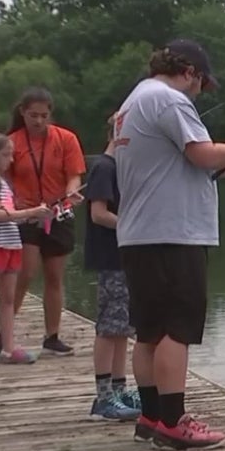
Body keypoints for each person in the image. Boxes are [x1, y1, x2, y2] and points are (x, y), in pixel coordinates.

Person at [113, 39, 225, 450]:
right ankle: (174, 422)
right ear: (190, 73)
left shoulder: (132, 103)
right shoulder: (169, 100)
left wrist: (221, 165)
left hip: (139, 234)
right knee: (176, 329)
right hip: (173, 235)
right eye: (201, 84)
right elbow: (201, 154)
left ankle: (150, 416)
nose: (199, 93)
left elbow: (175, 167)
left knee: (148, 331)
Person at [0, 87, 87, 358]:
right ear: (22, 113)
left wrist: (71, 192)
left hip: (57, 213)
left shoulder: (66, 139)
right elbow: (3, 180)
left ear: (50, 115)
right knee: (25, 273)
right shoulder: (12, 142)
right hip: (26, 215)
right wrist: (13, 205)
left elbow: (74, 174)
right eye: (33, 115)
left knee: (54, 276)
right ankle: (4, 331)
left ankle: (52, 336)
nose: (38, 121)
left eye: (43, 116)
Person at [0, 132, 48, 369]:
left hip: (10, 244)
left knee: (8, 299)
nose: (11, 160)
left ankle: (8, 347)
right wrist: (31, 212)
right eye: (6, 155)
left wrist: (39, 215)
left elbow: (10, 218)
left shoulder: (4, 183)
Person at [83, 113, 141, 421]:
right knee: (108, 327)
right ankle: (103, 397)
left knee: (122, 328)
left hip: (125, 257)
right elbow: (98, 213)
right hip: (111, 258)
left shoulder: (120, 167)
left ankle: (120, 390)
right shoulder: (104, 167)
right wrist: (132, 227)